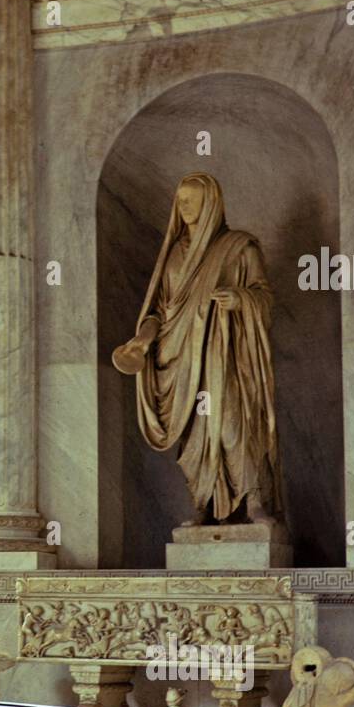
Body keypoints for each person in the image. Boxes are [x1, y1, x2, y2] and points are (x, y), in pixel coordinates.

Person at [112, 172, 282, 526]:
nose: (183, 206)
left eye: (191, 199)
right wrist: (143, 341)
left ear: (211, 203)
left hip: (226, 359)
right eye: (180, 200)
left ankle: (254, 504)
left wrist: (240, 298)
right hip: (183, 363)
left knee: (233, 427)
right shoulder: (174, 254)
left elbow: (265, 298)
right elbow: (160, 311)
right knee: (193, 438)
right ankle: (201, 506)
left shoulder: (239, 247)